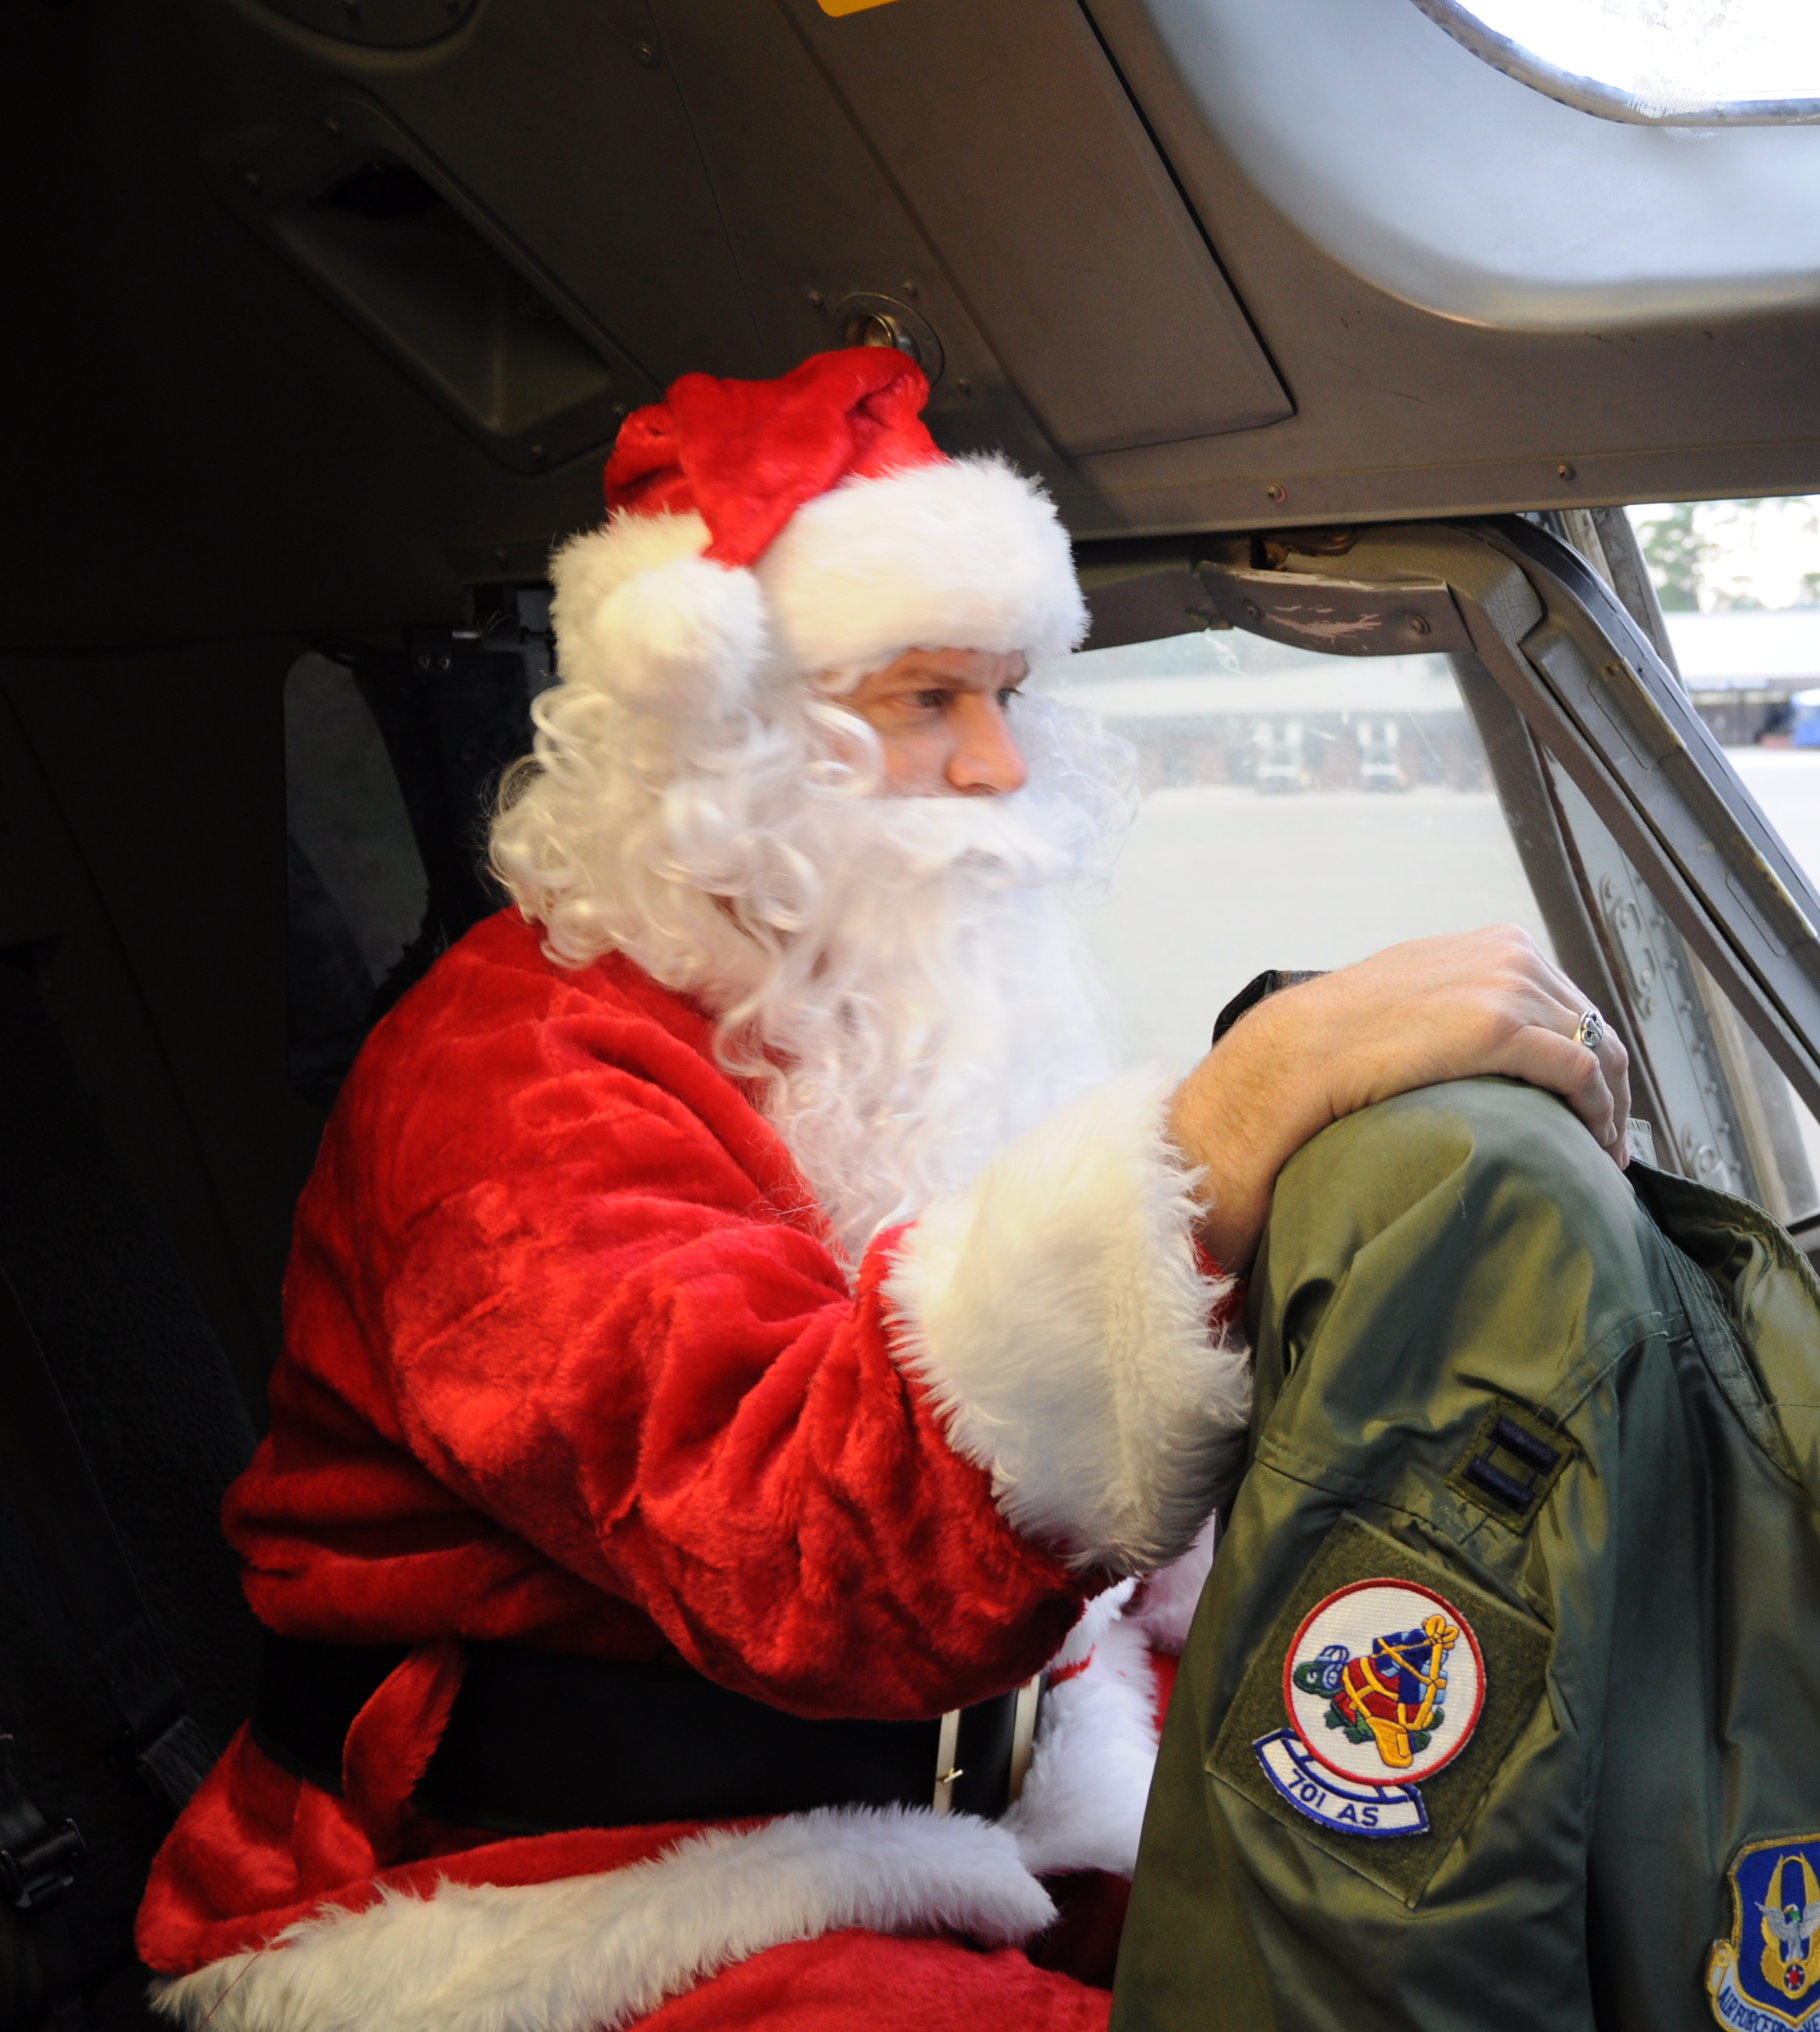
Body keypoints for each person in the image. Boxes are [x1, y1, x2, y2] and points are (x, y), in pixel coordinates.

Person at [133, 347, 1630, 2032]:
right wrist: (1225, 1123)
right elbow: (797, 1553)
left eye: (1008, 694)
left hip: (983, 1802)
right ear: (721, 735)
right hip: (548, 1894)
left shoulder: (864, 1018)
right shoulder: (505, 1081)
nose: (999, 767)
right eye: (928, 701)